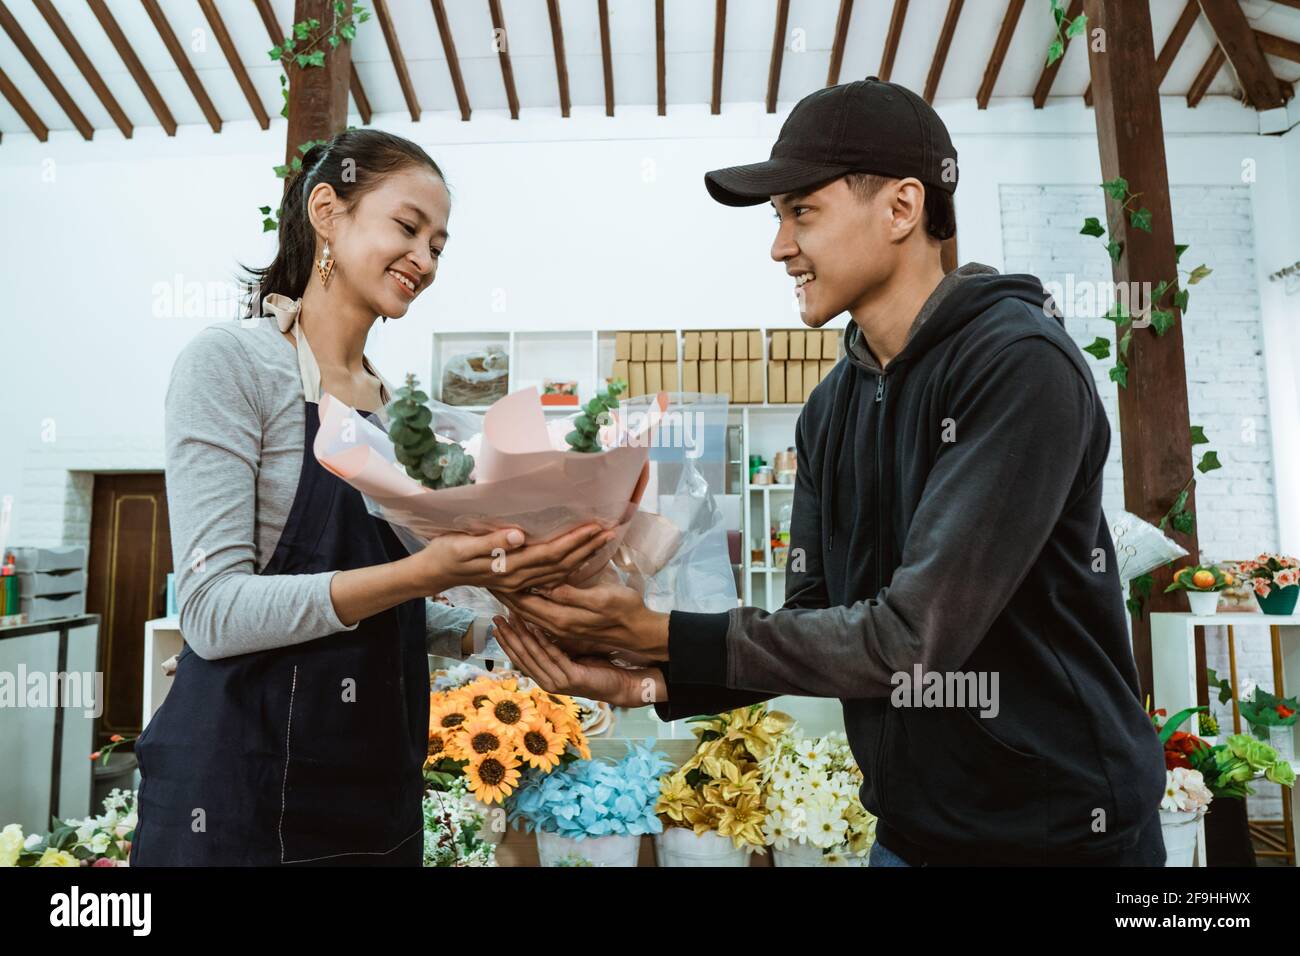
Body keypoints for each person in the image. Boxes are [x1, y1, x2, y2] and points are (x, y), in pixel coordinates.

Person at [491, 78, 1167, 866]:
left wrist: (661, 632)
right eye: (778, 219)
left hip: (1059, 842)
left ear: (902, 208)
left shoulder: (1017, 366)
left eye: (800, 212)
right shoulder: (829, 409)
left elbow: (910, 642)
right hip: (910, 837)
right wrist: (642, 680)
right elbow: (817, 618)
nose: (779, 247)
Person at [132, 129, 614, 866]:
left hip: (373, 791)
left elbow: (386, 606)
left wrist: (489, 630)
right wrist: (430, 572)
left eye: (440, 245)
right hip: (237, 793)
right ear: (328, 211)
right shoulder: (233, 366)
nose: (424, 259)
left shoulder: (391, 416)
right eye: (408, 227)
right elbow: (213, 612)